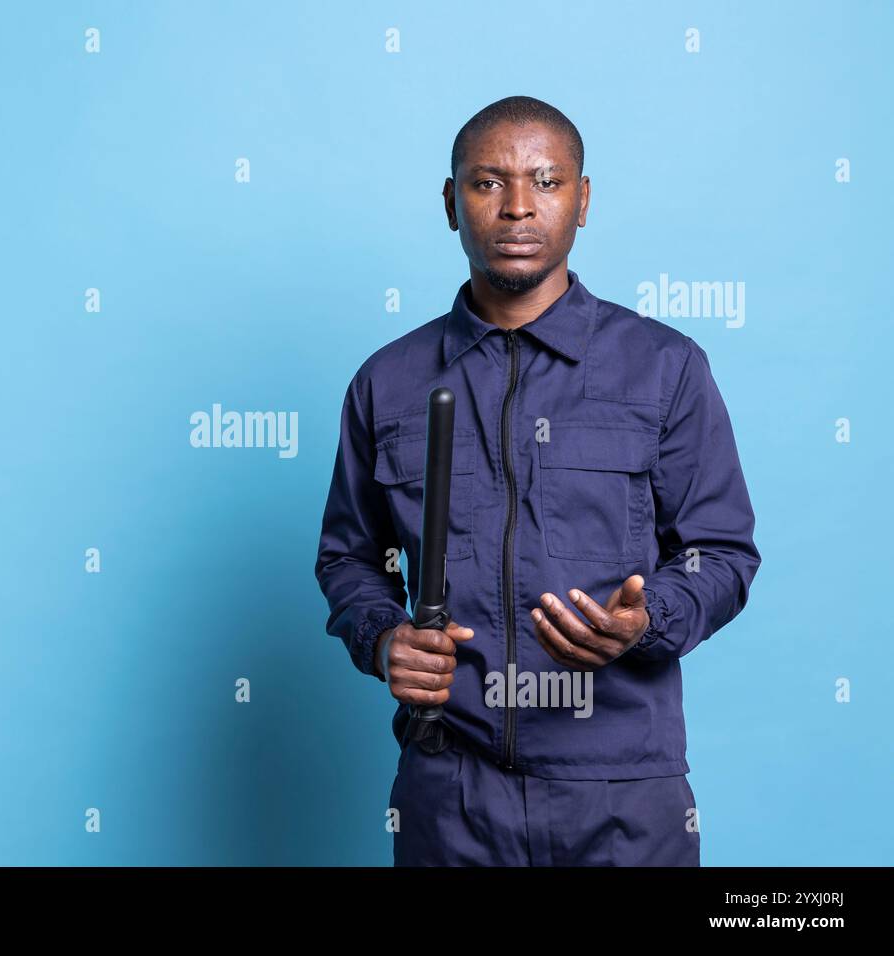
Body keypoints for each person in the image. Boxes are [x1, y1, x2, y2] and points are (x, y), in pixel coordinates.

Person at [313, 95, 762, 866]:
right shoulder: (387, 382)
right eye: (487, 184)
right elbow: (350, 559)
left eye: (546, 182)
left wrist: (647, 618)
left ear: (582, 200)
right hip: (449, 793)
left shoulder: (664, 367)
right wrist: (383, 638)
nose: (518, 207)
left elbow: (721, 553)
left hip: (623, 793)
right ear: (451, 204)